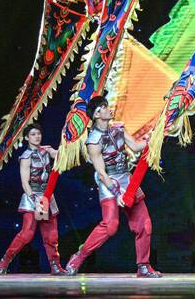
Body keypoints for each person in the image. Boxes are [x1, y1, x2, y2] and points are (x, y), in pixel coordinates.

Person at [61, 95, 161, 277]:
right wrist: (118, 194)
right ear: (97, 113)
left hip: (126, 179)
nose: (110, 109)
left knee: (144, 224)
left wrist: (154, 136)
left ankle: (143, 266)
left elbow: (136, 147)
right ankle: (80, 256)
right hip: (109, 183)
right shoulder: (93, 141)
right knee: (110, 226)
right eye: (105, 107)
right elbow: (101, 173)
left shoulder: (119, 128)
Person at [0, 124, 62, 274]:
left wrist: (65, 147)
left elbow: (61, 156)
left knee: (51, 235)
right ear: (26, 137)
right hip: (32, 196)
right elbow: (25, 183)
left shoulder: (46, 150)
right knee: (27, 234)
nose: (37, 136)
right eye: (33, 134)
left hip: (47, 196)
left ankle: (55, 266)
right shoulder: (25, 157)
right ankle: (4, 261)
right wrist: (35, 200)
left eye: (38, 133)